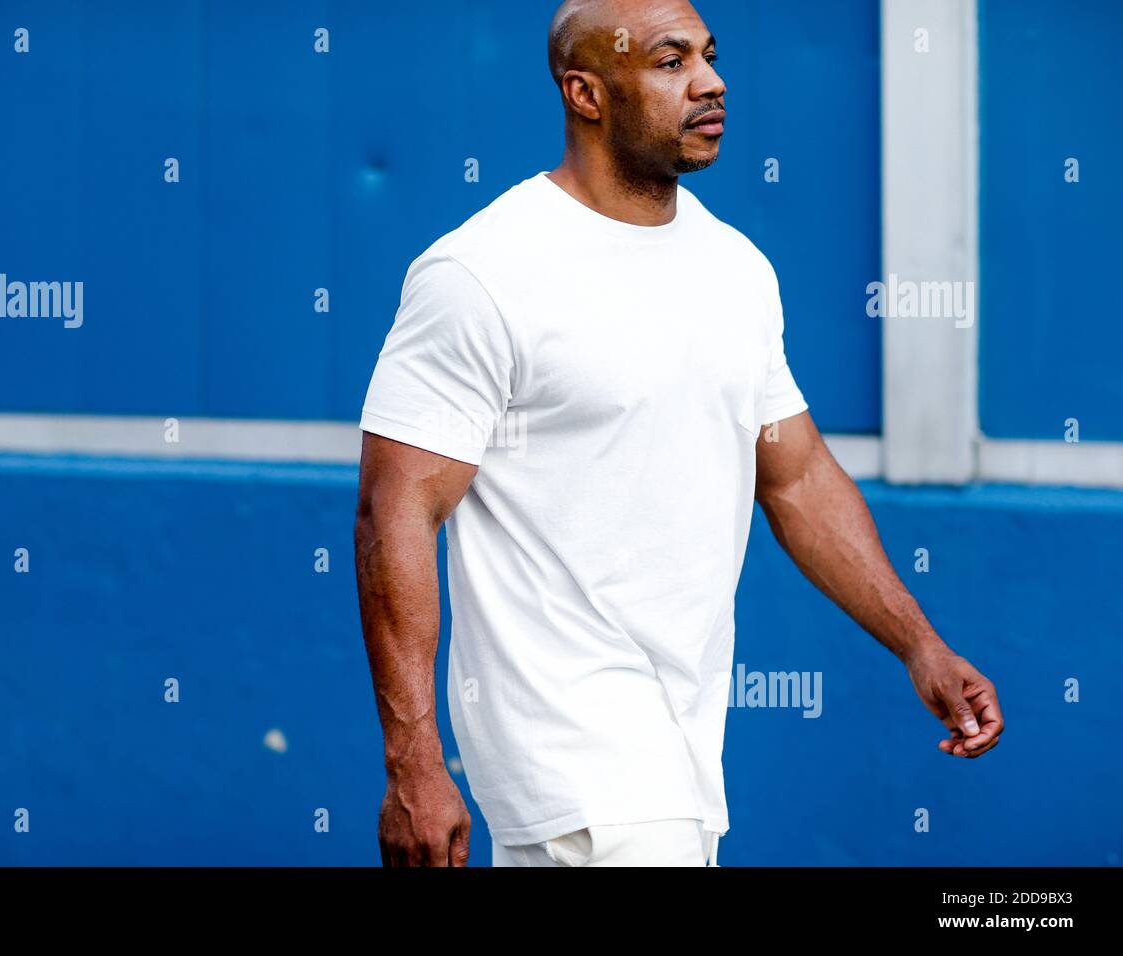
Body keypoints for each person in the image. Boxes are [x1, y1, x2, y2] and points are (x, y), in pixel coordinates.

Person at [353, 0, 1004, 868]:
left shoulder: (734, 268)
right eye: (670, 62)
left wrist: (919, 644)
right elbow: (394, 512)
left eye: (709, 55)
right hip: (578, 758)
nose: (711, 82)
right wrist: (414, 764)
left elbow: (797, 477)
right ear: (586, 92)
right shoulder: (483, 274)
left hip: (679, 760)